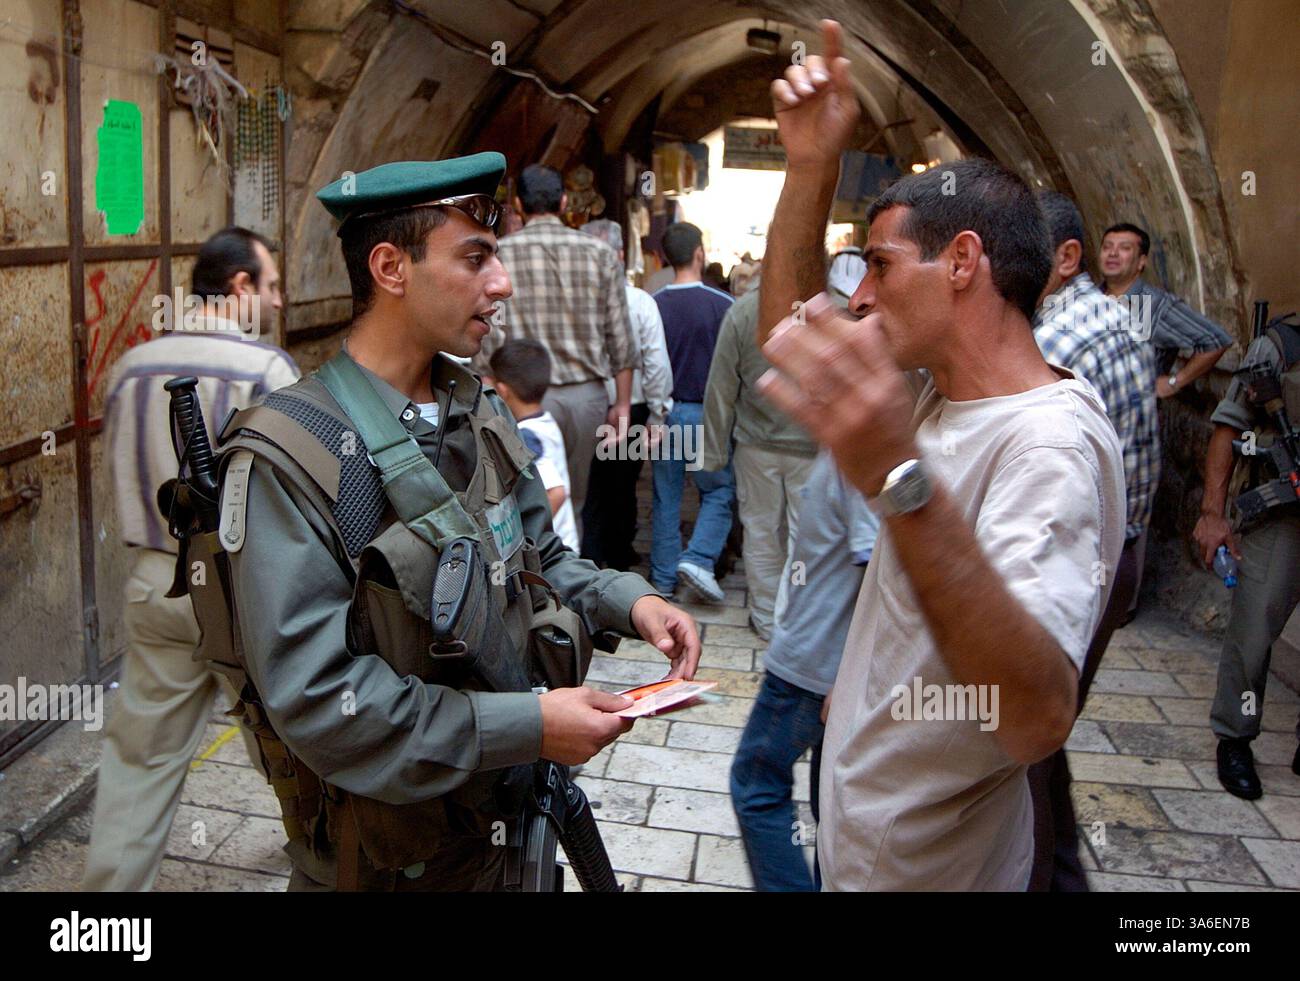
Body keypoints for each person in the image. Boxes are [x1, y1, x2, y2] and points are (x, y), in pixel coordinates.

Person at [207, 153, 700, 891]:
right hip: (384, 864)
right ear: (390, 267)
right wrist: (529, 726)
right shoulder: (291, 454)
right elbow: (319, 700)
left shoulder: (479, 409)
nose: (500, 283)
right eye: (476, 258)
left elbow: (540, 560)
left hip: (501, 838)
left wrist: (632, 601)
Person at [758, 20, 1125, 890]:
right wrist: (810, 166)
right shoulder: (935, 392)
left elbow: (1034, 717)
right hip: (874, 837)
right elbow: (791, 337)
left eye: (881, 266)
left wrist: (898, 478)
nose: (864, 295)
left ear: (962, 261)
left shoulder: (1049, 444)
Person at [83, 227, 299, 891]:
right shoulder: (267, 370)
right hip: (243, 592)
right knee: (291, 740)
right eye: (271, 285)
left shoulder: (131, 366)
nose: (281, 301)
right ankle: (321, 848)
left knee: (140, 761)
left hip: (156, 583)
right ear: (240, 287)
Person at [1027, 190, 1160, 891]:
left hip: (1082, 570)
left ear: (1064, 257)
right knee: (1043, 742)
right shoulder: (1113, 316)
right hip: (1121, 555)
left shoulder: (1054, 341)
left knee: (1021, 751)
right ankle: (1063, 874)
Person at [730, 450, 878, 890]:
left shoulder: (859, 458)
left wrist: (855, 671)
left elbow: (884, 570)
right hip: (818, 663)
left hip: (811, 670)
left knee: (755, 787)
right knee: (828, 805)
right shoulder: (842, 450)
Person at [476, 164, 636, 533]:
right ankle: (564, 568)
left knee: (515, 496)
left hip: (517, 396)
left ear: (517, 204)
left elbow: (485, 327)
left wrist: (487, 387)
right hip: (586, 399)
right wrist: (623, 404)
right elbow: (620, 337)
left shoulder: (497, 256)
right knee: (571, 498)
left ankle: (523, 573)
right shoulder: (600, 254)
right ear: (565, 201)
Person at [1194, 312, 1300, 798]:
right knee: (1254, 630)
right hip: (1282, 517)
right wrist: (1213, 513)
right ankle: (1236, 737)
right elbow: (1228, 432)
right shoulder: (1278, 348)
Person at [701, 284, 818, 640]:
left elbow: (721, 384)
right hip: (815, 447)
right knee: (808, 539)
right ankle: (801, 623)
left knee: (762, 534)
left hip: (756, 446)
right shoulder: (830, 306)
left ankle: (768, 620)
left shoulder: (744, 310)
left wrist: (713, 452)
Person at [580, 218, 673, 569]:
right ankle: (618, 565)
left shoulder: (573, 304)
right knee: (622, 489)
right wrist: (657, 413)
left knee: (587, 490)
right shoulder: (640, 302)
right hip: (630, 410)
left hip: (583, 407)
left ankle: (587, 564)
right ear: (620, 254)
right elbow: (656, 363)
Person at [650, 222, 736, 603]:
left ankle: (663, 579)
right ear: (700, 253)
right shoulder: (723, 305)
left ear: (665, 258)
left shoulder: (653, 304)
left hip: (665, 415)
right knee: (718, 492)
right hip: (709, 417)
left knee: (665, 496)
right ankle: (698, 558)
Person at [1100, 222, 1233, 395]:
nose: (1112, 253)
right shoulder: (1087, 299)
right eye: (1106, 247)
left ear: (1141, 261)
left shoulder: (1157, 304)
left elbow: (1216, 340)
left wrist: (1175, 381)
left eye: (1124, 248)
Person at [490, 339, 579, 552]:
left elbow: (556, 492)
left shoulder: (528, 437)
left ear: (502, 390)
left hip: (550, 549)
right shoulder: (546, 421)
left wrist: (526, 537)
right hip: (565, 540)